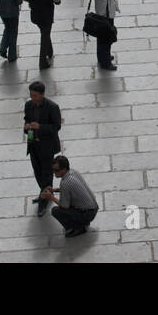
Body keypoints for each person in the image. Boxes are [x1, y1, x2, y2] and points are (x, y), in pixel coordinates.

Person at [22, 81, 63, 217]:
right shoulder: (29, 105)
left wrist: (40, 127)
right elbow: (26, 120)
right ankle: (44, 192)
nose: (32, 98)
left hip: (47, 146)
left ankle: (44, 199)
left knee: (46, 173)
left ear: (42, 94)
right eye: (31, 95)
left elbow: (56, 126)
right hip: (33, 144)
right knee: (37, 171)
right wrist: (27, 127)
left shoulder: (52, 107)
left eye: (35, 95)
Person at [42, 155, 99, 237]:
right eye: (53, 169)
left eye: (56, 170)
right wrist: (53, 190)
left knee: (55, 211)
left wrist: (51, 197)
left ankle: (77, 228)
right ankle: (82, 222)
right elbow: (68, 190)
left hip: (87, 214)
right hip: (93, 208)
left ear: (64, 169)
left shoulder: (65, 183)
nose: (54, 172)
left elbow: (64, 206)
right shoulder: (73, 172)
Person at [89, 0, 120, 70]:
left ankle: (102, 57)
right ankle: (106, 63)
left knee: (101, 38)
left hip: (100, 13)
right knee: (106, 39)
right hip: (105, 16)